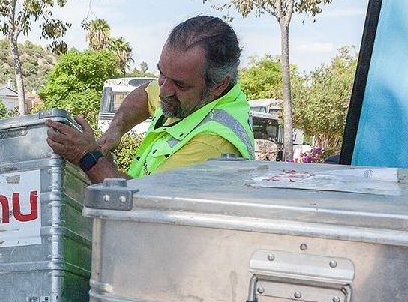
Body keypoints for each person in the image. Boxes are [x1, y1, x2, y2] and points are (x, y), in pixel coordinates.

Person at [46, 15, 255, 183]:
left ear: (219, 85)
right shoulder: (186, 91)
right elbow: (145, 94)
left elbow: (144, 202)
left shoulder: (214, 144)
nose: (164, 91)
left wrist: (88, 158)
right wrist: (115, 130)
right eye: (162, 74)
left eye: (180, 85)